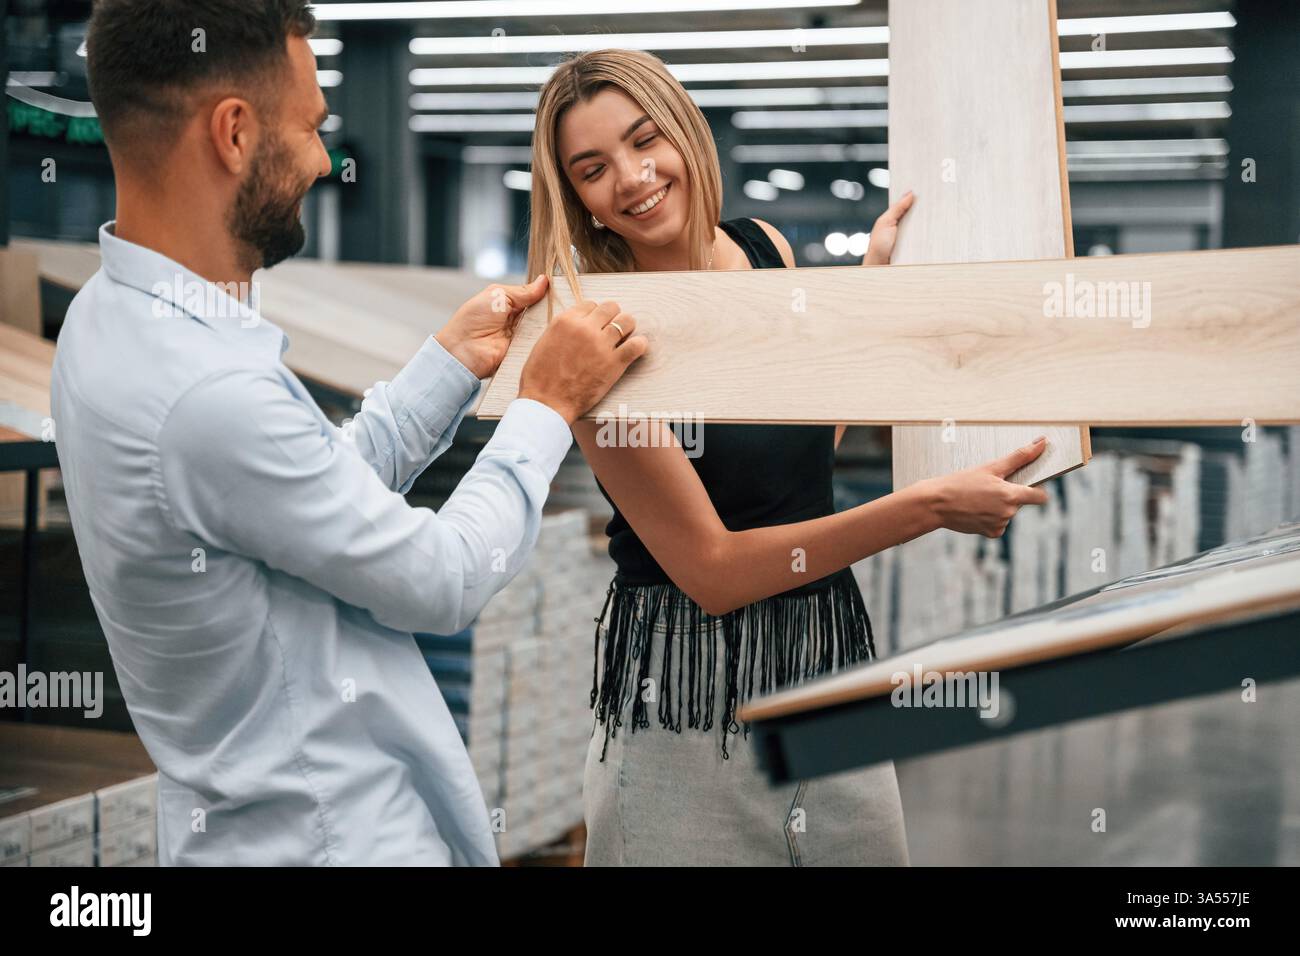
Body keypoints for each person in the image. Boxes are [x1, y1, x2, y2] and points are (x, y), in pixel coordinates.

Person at [50, 1, 646, 865]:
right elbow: (440, 581)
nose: (326, 160)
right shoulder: (209, 393)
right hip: (333, 840)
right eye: (310, 127)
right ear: (234, 133)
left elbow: (311, 497)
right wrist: (545, 406)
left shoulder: (105, 322)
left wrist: (447, 367)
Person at [526, 49, 1050, 866]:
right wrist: (929, 507)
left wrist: (868, 296)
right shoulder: (598, 336)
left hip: (819, 659)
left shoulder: (764, 249)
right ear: (578, 199)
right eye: (593, 169)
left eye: (644, 140)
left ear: (686, 134)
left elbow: (799, 446)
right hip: (683, 699)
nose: (631, 179)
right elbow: (714, 569)